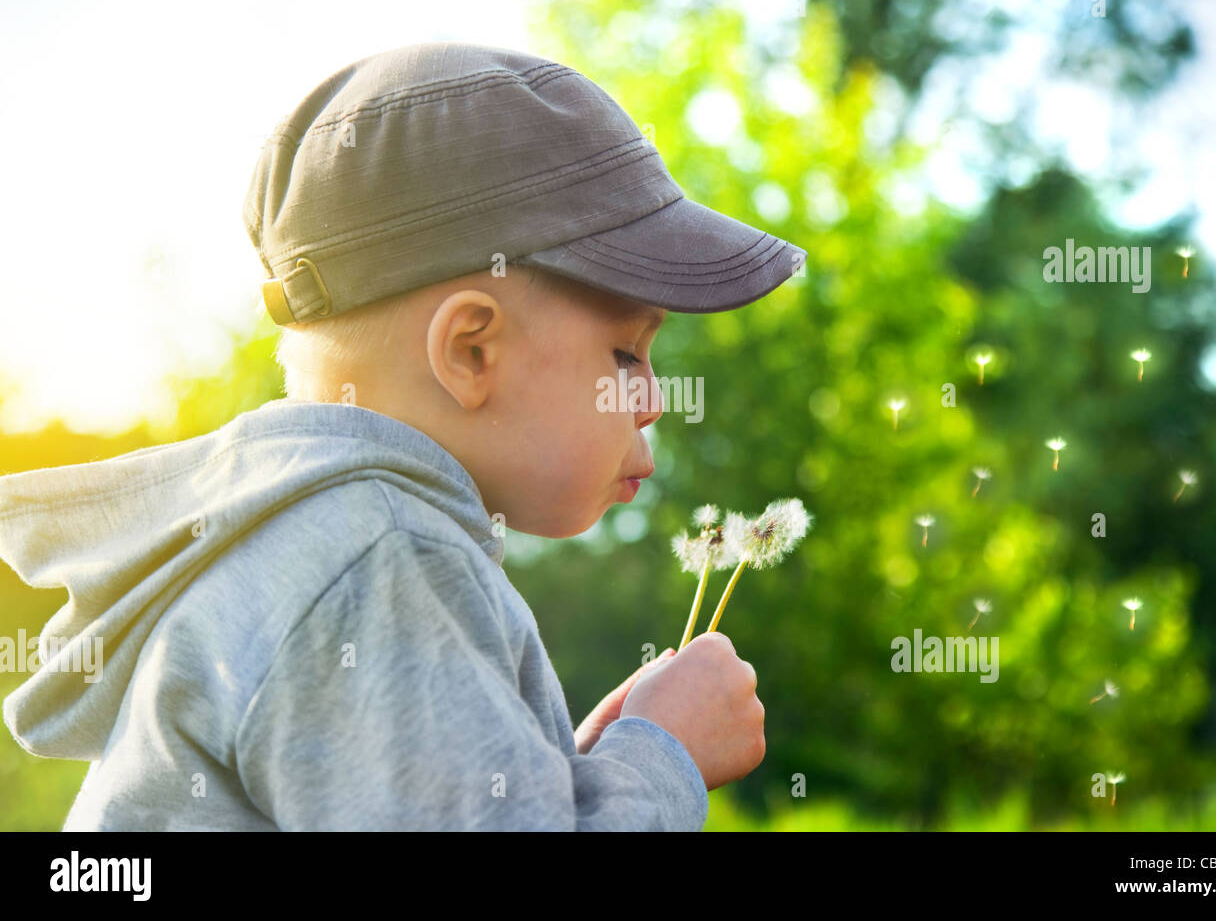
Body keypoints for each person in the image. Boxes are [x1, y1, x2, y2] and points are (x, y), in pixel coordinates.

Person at [0, 41, 806, 830]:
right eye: (626, 352)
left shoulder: (305, 539)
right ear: (470, 351)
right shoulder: (378, 560)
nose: (655, 400)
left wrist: (574, 774)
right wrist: (660, 759)